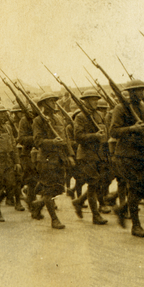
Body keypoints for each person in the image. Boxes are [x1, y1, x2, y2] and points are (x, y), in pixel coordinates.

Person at [109, 79, 144, 238]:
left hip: (143, 154)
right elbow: (113, 131)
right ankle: (136, 226)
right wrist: (132, 128)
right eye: (137, 90)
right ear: (130, 93)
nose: (140, 92)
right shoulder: (120, 108)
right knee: (135, 187)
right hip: (127, 155)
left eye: (141, 90)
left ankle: (122, 209)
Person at [32, 93, 74, 229]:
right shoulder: (38, 121)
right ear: (43, 104)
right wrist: (52, 142)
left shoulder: (58, 118)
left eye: (54, 100)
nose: (54, 103)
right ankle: (54, 219)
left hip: (60, 158)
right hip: (47, 159)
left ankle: (38, 204)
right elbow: (38, 141)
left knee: (58, 188)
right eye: (50, 101)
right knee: (49, 190)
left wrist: (70, 155)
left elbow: (66, 138)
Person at [71, 90, 110, 225]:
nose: (95, 101)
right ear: (86, 101)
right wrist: (94, 136)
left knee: (97, 183)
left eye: (96, 99)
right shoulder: (80, 117)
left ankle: (79, 201)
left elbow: (105, 134)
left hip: (99, 154)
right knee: (93, 183)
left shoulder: (99, 115)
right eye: (92, 99)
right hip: (87, 155)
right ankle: (95, 215)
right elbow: (78, 137)